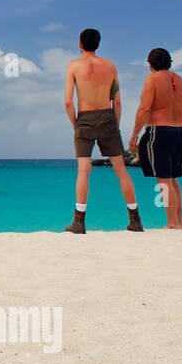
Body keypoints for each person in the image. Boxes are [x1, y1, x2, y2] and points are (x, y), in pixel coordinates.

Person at [62, 28, 143, 233]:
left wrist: (76, 124)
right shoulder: (110, 66)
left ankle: (79, 222)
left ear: (80, 44)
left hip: (85, 118)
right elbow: (116, 101)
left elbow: (68, 102)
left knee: (84, 170)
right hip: (107, 117)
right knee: (120, 170)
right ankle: (135, 219)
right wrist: (114, 125)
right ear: (98, 45)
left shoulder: (73, 66)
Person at [129, 47, 182, 229]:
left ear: (150, 64)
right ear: (169, 62)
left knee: (163, 179)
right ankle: (180, 222)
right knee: (173, 178)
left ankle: (171, 223)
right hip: (181, 131)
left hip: (160, 131)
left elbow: (145, 109)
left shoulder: (152, 79)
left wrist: (134, 135)